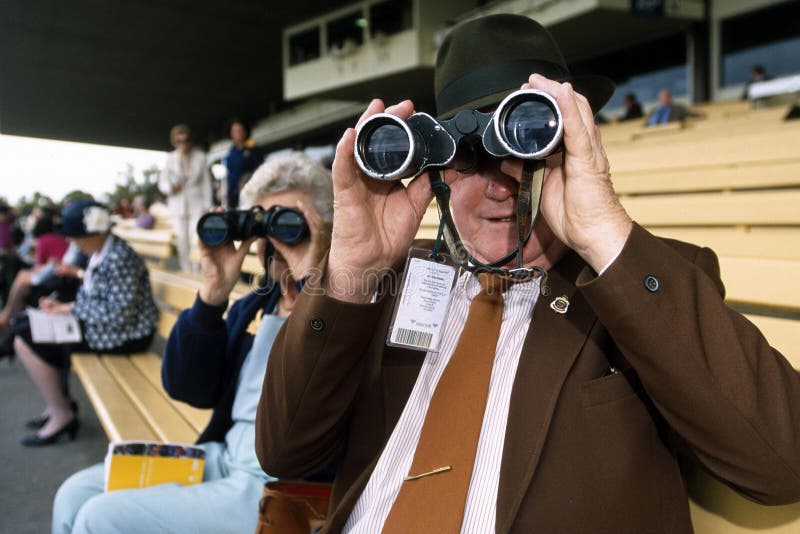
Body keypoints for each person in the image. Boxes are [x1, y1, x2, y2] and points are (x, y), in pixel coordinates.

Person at [256, 14, 800, 533]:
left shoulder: (639, 280)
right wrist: (352, 270)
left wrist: (604, 231)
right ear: (437, 167)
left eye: (525, 143)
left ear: (570, 146)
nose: (499, 185)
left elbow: (780, 461)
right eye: (468, 156)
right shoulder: (394, 279)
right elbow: (285, 450)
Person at [52, 153, 333, 533]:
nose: (272, 238)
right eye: (260, 223)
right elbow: (188, 387)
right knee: (73, 494)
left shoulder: (342, 312)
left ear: (325, 228)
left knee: (100, 518)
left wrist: (311, 286)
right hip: (224, 457)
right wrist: (211, 296)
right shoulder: (257, 306)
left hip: (278, 484)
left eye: (287, 223)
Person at [15, 200, 158, 447]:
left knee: (28, 337)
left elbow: (119, 314)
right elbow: (97, 299)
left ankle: (62, 412)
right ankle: (58, 405)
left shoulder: (119, 257)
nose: (73, 242)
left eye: (76, 236)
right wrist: (63, 308)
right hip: (110, 328)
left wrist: (70, 311)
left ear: (94, 232)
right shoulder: (102, 251)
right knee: (26, 327)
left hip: (127, 335)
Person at [159, 124, 213, 272]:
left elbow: (206, 184)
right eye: (179, 141)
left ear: (191, 140)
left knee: (196, 239)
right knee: (182, 241)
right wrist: (171, 188)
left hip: (197, 205)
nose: (183, 144)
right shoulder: (170, 159)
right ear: (174, 142)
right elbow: (162, 183)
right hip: (178, 206)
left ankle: (197, 271)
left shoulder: (201, 157)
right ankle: (186, 271)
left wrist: (208, 206)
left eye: (186, 140)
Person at [222, 118, 264, 209]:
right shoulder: (231, 151)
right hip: (233, 193)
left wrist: (248, 179)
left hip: (249, 191)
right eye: (235, 131)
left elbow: (260, 170)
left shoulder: (253, 149)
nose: (237, 133)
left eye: (240, 130)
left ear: (245, 132)